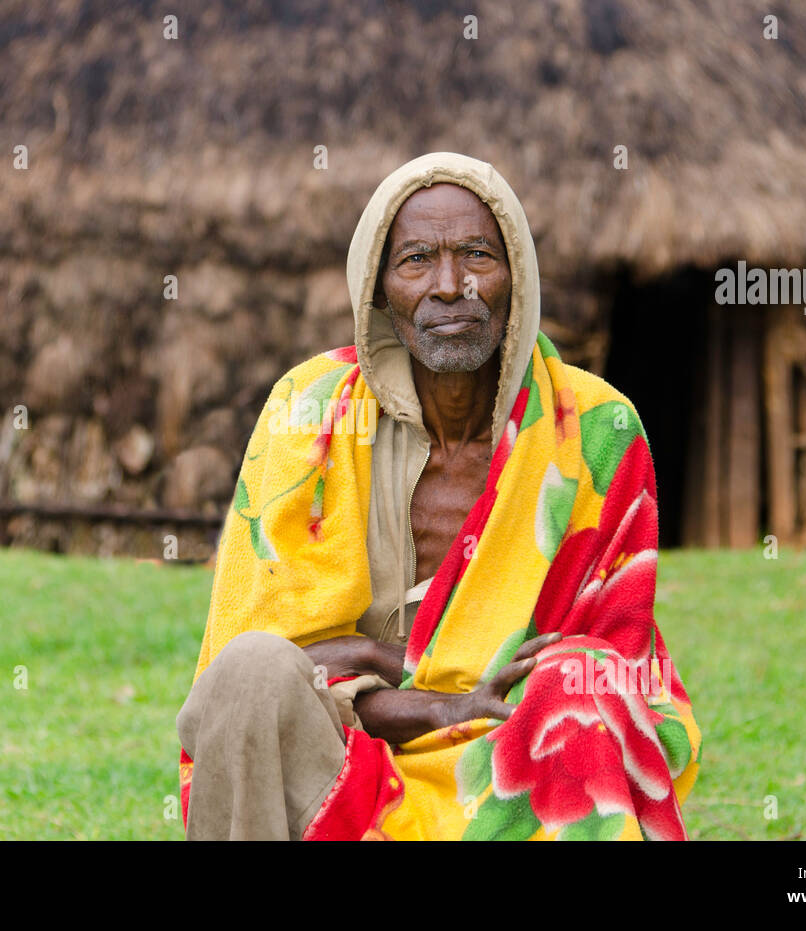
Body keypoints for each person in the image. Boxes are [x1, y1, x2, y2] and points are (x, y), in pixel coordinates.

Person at [176, 152, 701, 841]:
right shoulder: (309, 414)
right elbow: (275, 660)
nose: (450, 286)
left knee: (581, 685)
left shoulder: (594, 429)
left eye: (477, 255)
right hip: (333, 764)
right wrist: (437, 699)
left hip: (516, 766)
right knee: (249, 673)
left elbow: (607, 658)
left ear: (516, 275)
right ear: (378, 285)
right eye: (417, 259)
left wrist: (362, 655)